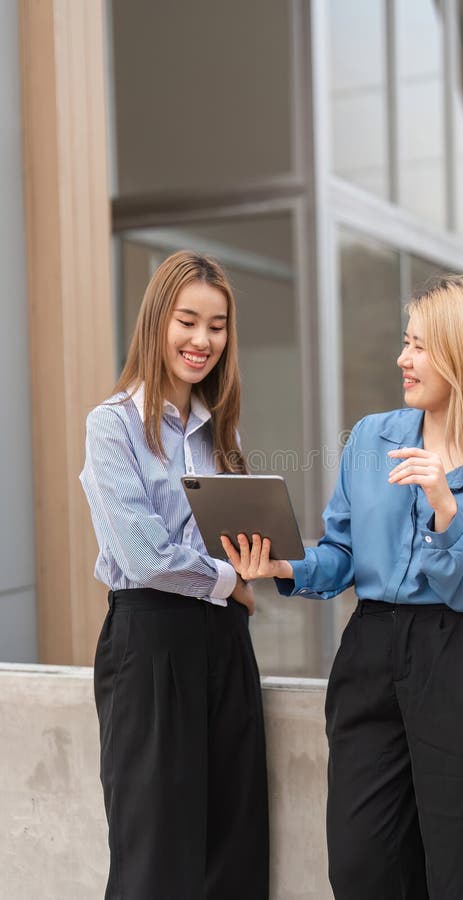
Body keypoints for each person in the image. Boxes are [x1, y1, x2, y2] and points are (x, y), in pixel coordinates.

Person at [222, 275, 463, 900]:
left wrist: (442, 509)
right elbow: (342, 552)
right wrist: (284, 568)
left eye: (421, 346)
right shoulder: (371, 438)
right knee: (360, 866)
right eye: (405, 342)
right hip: (371, 650)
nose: (403, 358)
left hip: (461, 655)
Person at [80, 251, 269, 900]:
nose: (202, 340)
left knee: (234, 854)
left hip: (225, 643)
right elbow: (144, 556)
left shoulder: (220, 430)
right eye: (188, 321)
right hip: (151, 645)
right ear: (157, 321)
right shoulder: (113, 427)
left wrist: (255, 560)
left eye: (217, 326)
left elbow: (223, 537)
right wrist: (229, 582)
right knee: (155, 861)